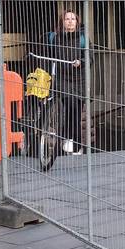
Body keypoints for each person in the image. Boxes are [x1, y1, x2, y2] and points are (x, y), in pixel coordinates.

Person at [46, 10, 89, 155]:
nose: (70, 21)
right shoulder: (55, 38)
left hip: (79, 80)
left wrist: (81, 62)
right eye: (67, 19)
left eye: (73, 19)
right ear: (62, 22)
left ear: (77, 22)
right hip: (62, 79)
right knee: (69, 107)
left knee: (76, 111)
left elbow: (91, 57)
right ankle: (70, 142)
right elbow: (48, 55)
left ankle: (72, 143)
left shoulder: (83, 38)